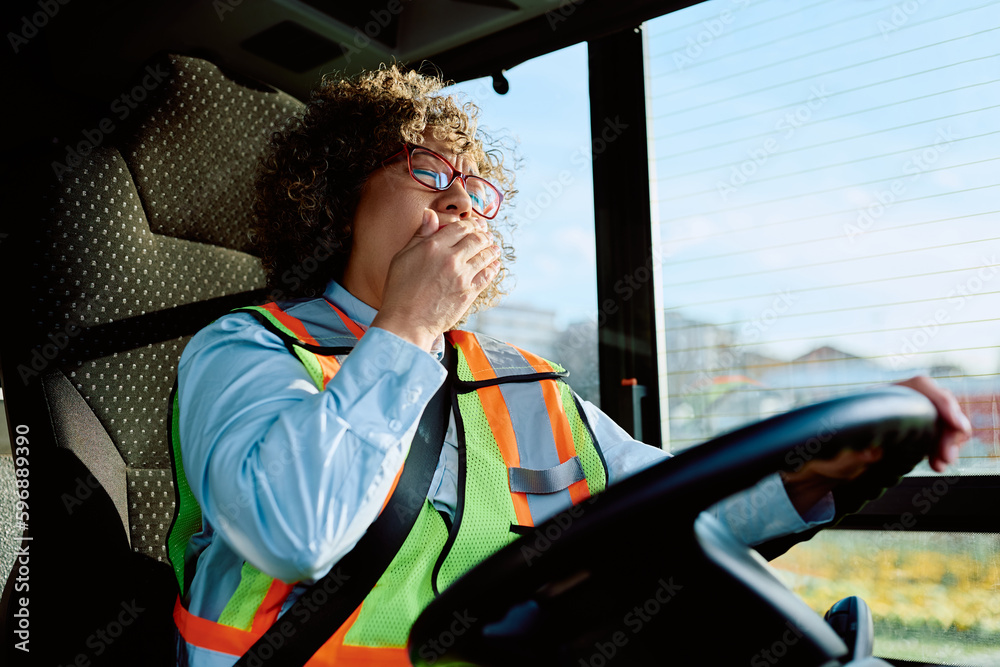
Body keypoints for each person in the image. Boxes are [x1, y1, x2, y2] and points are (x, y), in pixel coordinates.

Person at [172, 64, 972, 666]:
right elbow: (294, 532)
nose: (458, 200)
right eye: (426, 171)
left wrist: (819, 465)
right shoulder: (245, 349)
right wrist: (411, 322)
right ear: (339, 197)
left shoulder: (525, 383)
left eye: (476, 191)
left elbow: (681, 508)